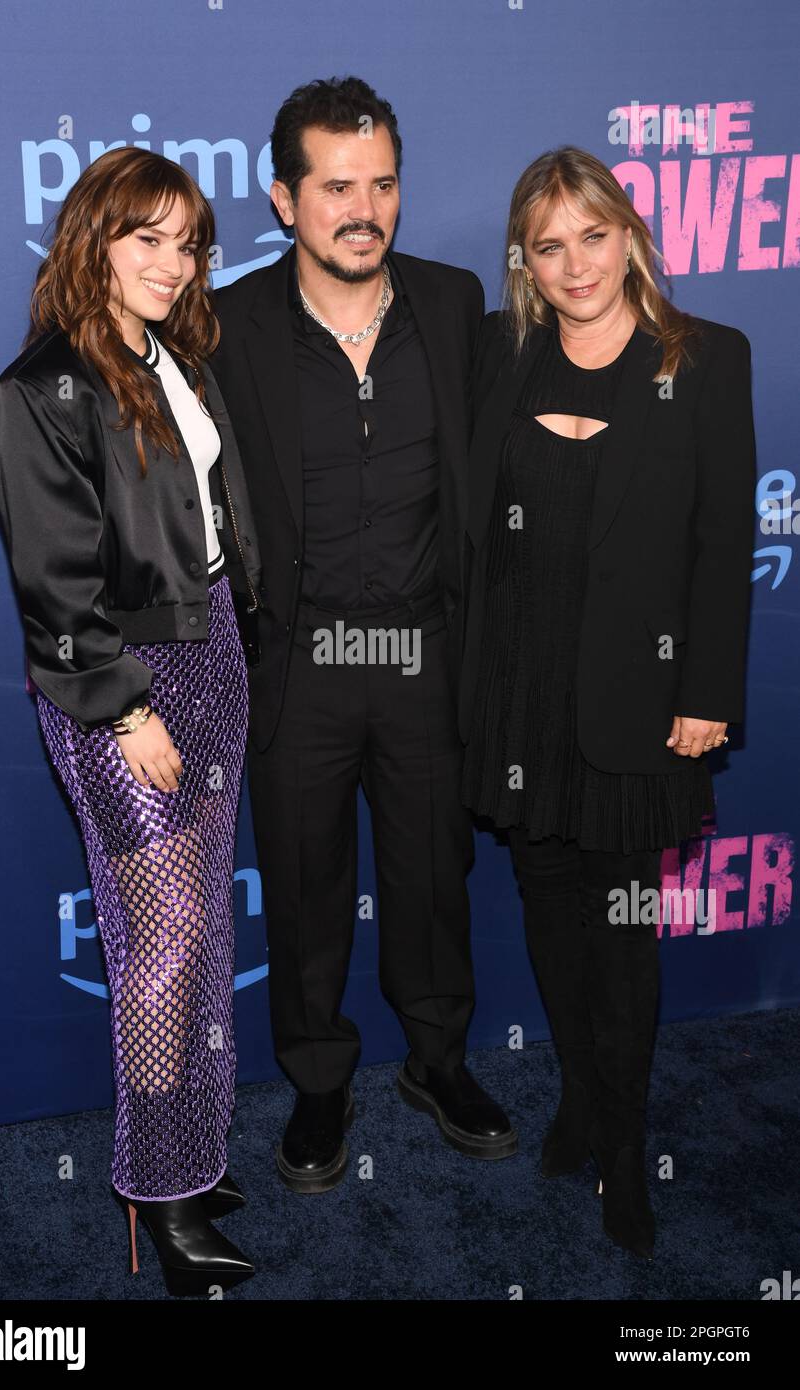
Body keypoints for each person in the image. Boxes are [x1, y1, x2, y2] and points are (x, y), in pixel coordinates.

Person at [210, 76, 517, 1193]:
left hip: (424, 652)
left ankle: (438, 1061)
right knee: (302, 884)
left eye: (381, 182)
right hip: (297, 660)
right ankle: (318, 1081)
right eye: (336, 185)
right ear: (282, 196)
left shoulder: (450, 301)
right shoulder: (230, 323)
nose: (363, 208)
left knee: (433, 873)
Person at [458, 146, 756, 1258]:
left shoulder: (703, 359)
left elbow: (723, 541)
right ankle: (579, 1095)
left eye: (592, 233)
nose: (574, 262)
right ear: (524, 261)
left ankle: (624, 1149)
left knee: (621, 933)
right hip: (518, 693)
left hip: (641, 703)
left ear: (628, 233)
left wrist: (705, 694)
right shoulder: (503, 354)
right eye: (549, 243)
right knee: (546, 905)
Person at [0, 147, 262, 1295]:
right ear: (89, 240)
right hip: (120, 684)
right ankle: (156, 1189)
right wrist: (121, 703)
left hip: (216, 658)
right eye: (142, 236)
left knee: (205, 939)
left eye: (186, 239)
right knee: (160, 949)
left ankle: (200, 1152)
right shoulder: (34, 392)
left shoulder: (178, 356)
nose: (170, 260)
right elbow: (55, 582)